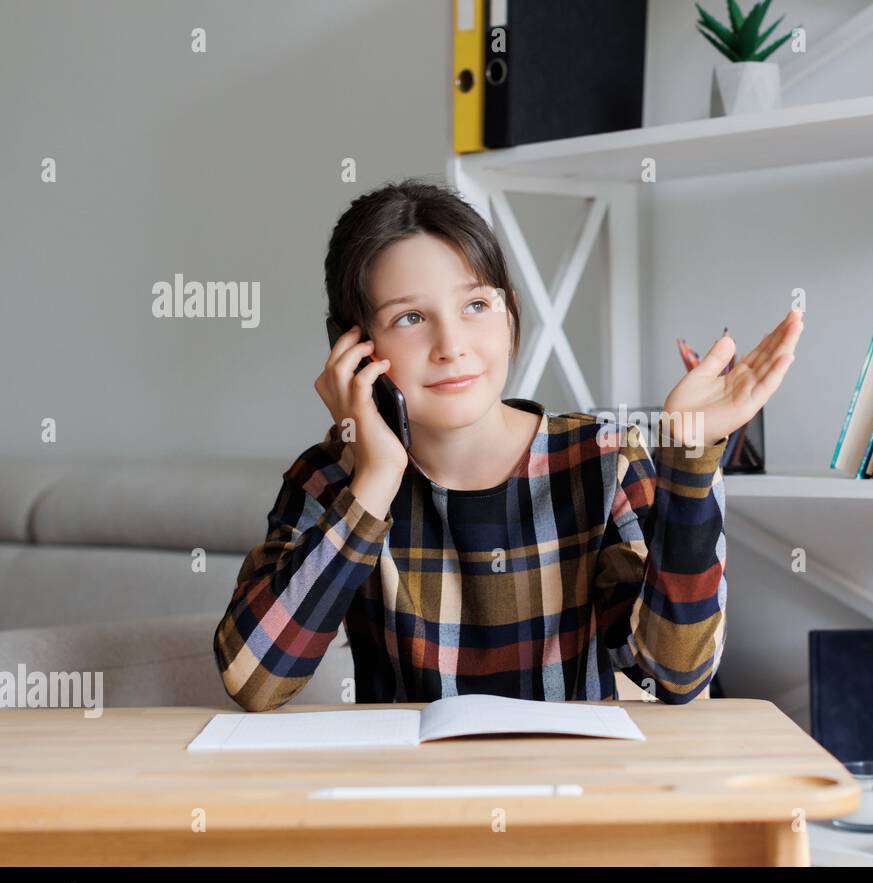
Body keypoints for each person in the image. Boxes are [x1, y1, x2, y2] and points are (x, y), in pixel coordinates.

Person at [212, 178, 803, 711]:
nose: (452, 345)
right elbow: (255, 681)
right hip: (407, 809)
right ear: (352, 349)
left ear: (510, 315)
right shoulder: (332, 477)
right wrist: (375, 480)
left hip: (567, 805)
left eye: (475, 305)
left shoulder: (603, 460)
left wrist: (691, 456)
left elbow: (675, 678)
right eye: (410, 319)